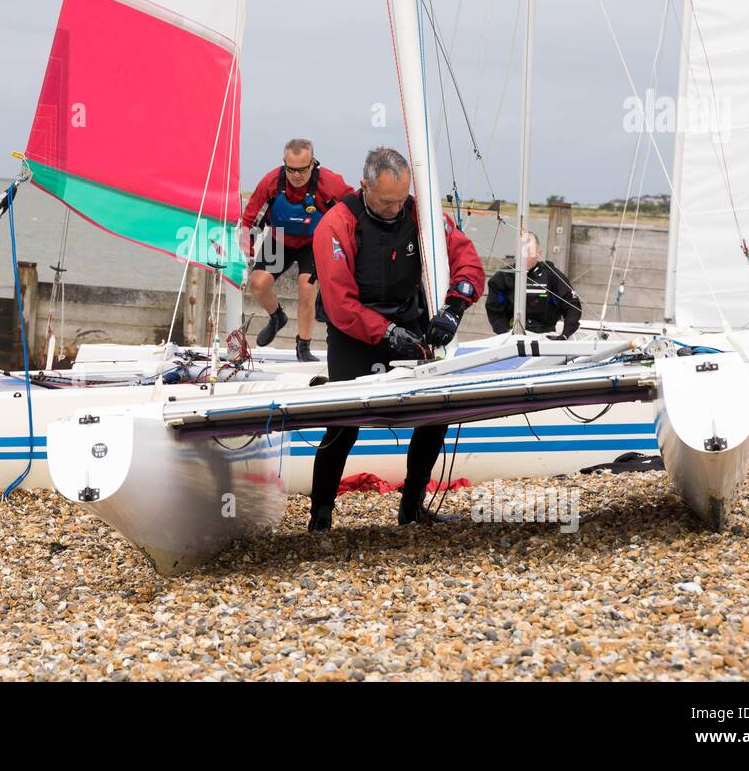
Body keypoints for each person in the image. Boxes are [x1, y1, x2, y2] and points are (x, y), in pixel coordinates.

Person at [309, 147, 484, 530]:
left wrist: (454, 307)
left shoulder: (422, 215)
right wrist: (386, 334)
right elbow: (340, 304)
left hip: (409, 320)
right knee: (342, 423)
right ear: (364, 187)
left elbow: (467, 262)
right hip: (354, 330)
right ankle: (320, 514)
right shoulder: (336, 225)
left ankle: (412, 506)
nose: (394, 210)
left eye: (400, 201)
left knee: (436, 413)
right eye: (386, 202)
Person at [239, 139, 354, 362]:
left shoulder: (330, 183)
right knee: (258, 284)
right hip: (279, 238)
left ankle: (303, 346)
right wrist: (246, 246)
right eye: (291, 169)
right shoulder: (271, 182)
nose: (296, 175)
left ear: (312, 164)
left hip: (313, 242)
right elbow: (249, 219)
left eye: (302, 169)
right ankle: (277, 317)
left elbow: (352, 208)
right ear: (284, 164)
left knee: (306, 288)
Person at [485, 231, 582, 338]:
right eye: (521, 250)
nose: (524, 255)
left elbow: (572, 306)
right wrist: (505, 334)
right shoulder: (502, 277)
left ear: (539, 253)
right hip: (512, 337)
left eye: (528, 251)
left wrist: (564, 335)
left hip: (546, 337)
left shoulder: (553, 276)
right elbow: (494, 311)